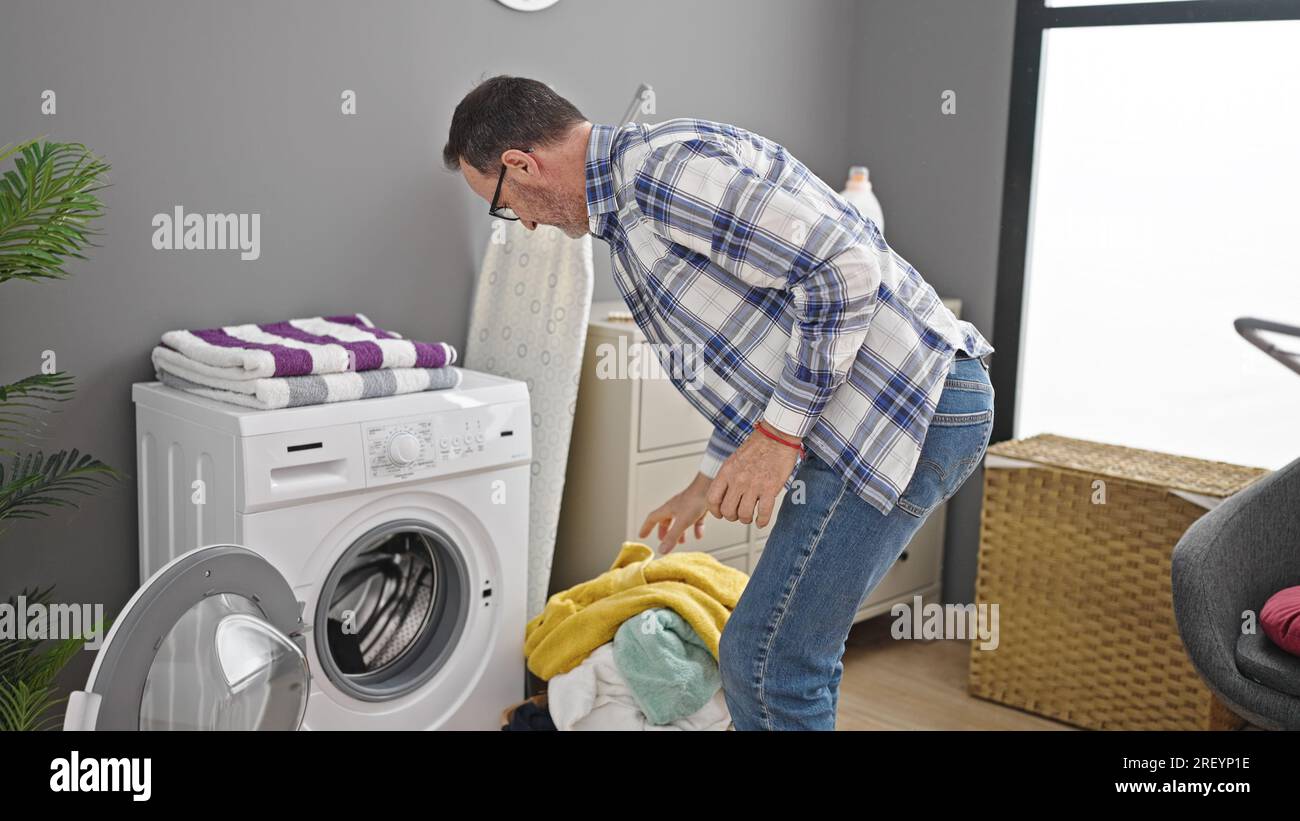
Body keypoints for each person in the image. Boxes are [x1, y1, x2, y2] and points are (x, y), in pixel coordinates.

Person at [443, 75, 996, 730]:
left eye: (506, 205)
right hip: (877, 412)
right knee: (768, 655)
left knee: (773, 661)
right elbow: (750, 350)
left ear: (521, 164)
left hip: (902, 407)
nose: (527, 222)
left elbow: (844, 268)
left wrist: (779, 438)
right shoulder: (628, 210)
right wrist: (707, 480)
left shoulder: (660, 175)